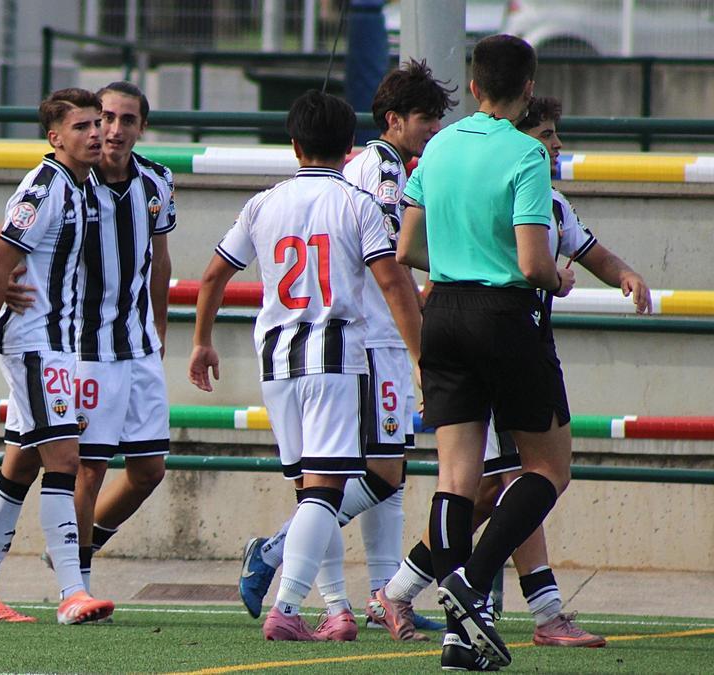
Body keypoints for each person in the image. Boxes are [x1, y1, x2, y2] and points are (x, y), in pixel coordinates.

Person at [372, 95, 652, 655]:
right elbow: (524, 266)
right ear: (520, 132)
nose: (555, 145)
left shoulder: (548, 200)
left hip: (470, 333)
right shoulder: (508, 178)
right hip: (503, 337)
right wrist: (550, 281)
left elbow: (587, 247)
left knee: (480, 489)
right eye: (546, 133)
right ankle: (513, 602)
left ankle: (418, 600)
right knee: (524, 480)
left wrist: (623, 273)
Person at [189, 89, 422, 642]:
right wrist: (420, 358)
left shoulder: (263, 203)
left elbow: (214, 275)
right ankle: (288, 607)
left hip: (276, 361)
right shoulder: (357, 203)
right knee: (326, 493)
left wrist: (201, 341)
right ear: (349, 149)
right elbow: (392, 283)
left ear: (293, 144)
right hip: (333, 357)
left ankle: (337, 607)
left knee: (312, 492)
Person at [237, 60, 456, 638]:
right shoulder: (382, 172)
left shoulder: (370, 166)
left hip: (342, 341)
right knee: (377, 475)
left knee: (366, 475)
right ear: (394, 120)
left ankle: (368, 597)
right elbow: (394, 256)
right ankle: (279, 554)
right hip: (371, 338)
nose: (433, 130)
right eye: (426, 119)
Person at [396, 35, 575, 670]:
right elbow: (532, 260)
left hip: (441, 310)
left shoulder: (437, 146)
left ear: (473, 87)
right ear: (528, 88)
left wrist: (458, 258)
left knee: (455, 477)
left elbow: (407, 249)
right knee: (549, 468)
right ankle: (473, 579)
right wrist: (556, 275)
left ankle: (456, 632)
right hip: (504, 316)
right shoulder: (526, 152)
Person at [0, 87, 116, 625]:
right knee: (65, 459)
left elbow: (15, 242)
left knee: (20, 465)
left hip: (57, 343)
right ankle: (72, 592)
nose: (96, 134)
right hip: (33, 343)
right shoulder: (46, 187)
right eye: (84, 126)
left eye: (98, 124)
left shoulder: (82, 185)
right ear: (55, 137)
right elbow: (0, 264)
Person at [11, 82, 175, 590]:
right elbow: (21, 248)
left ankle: (82, 543)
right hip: (84, 347)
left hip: (139, 345)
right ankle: (76, 581)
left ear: (141, 127)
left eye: (128, 120)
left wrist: (161, 327)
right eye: (105, 118)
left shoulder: (157, 181)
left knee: (149, 470)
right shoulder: (71, 181)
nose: (114, 129)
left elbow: (160, 261)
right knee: (87, 469)